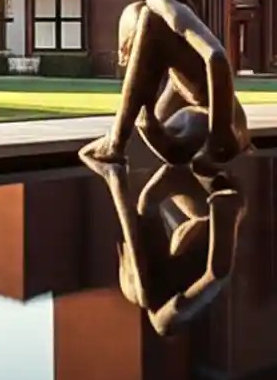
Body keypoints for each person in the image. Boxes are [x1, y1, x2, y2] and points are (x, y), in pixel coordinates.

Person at [79, 142, 246, 336]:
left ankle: (117, 172)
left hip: (168, 283)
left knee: (149, 296)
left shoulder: (153, 288)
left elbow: (138, 225)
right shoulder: (159, 292)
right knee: (152, 299)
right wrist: (115, 178)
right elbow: (217, 275)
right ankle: (117, 172)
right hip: (212, 216)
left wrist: (115, 177)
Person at [86, 0, 252, 169]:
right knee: (147, 121)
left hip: (228, 134)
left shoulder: (163, 13)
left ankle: (116, 143)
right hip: (212, 136)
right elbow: (161, 133)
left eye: (129, 51)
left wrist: (219, 134)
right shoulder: (179, 77)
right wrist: (147, 123)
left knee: (150, 18)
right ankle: (115, 142)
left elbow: (217, 57)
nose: (134, 61)